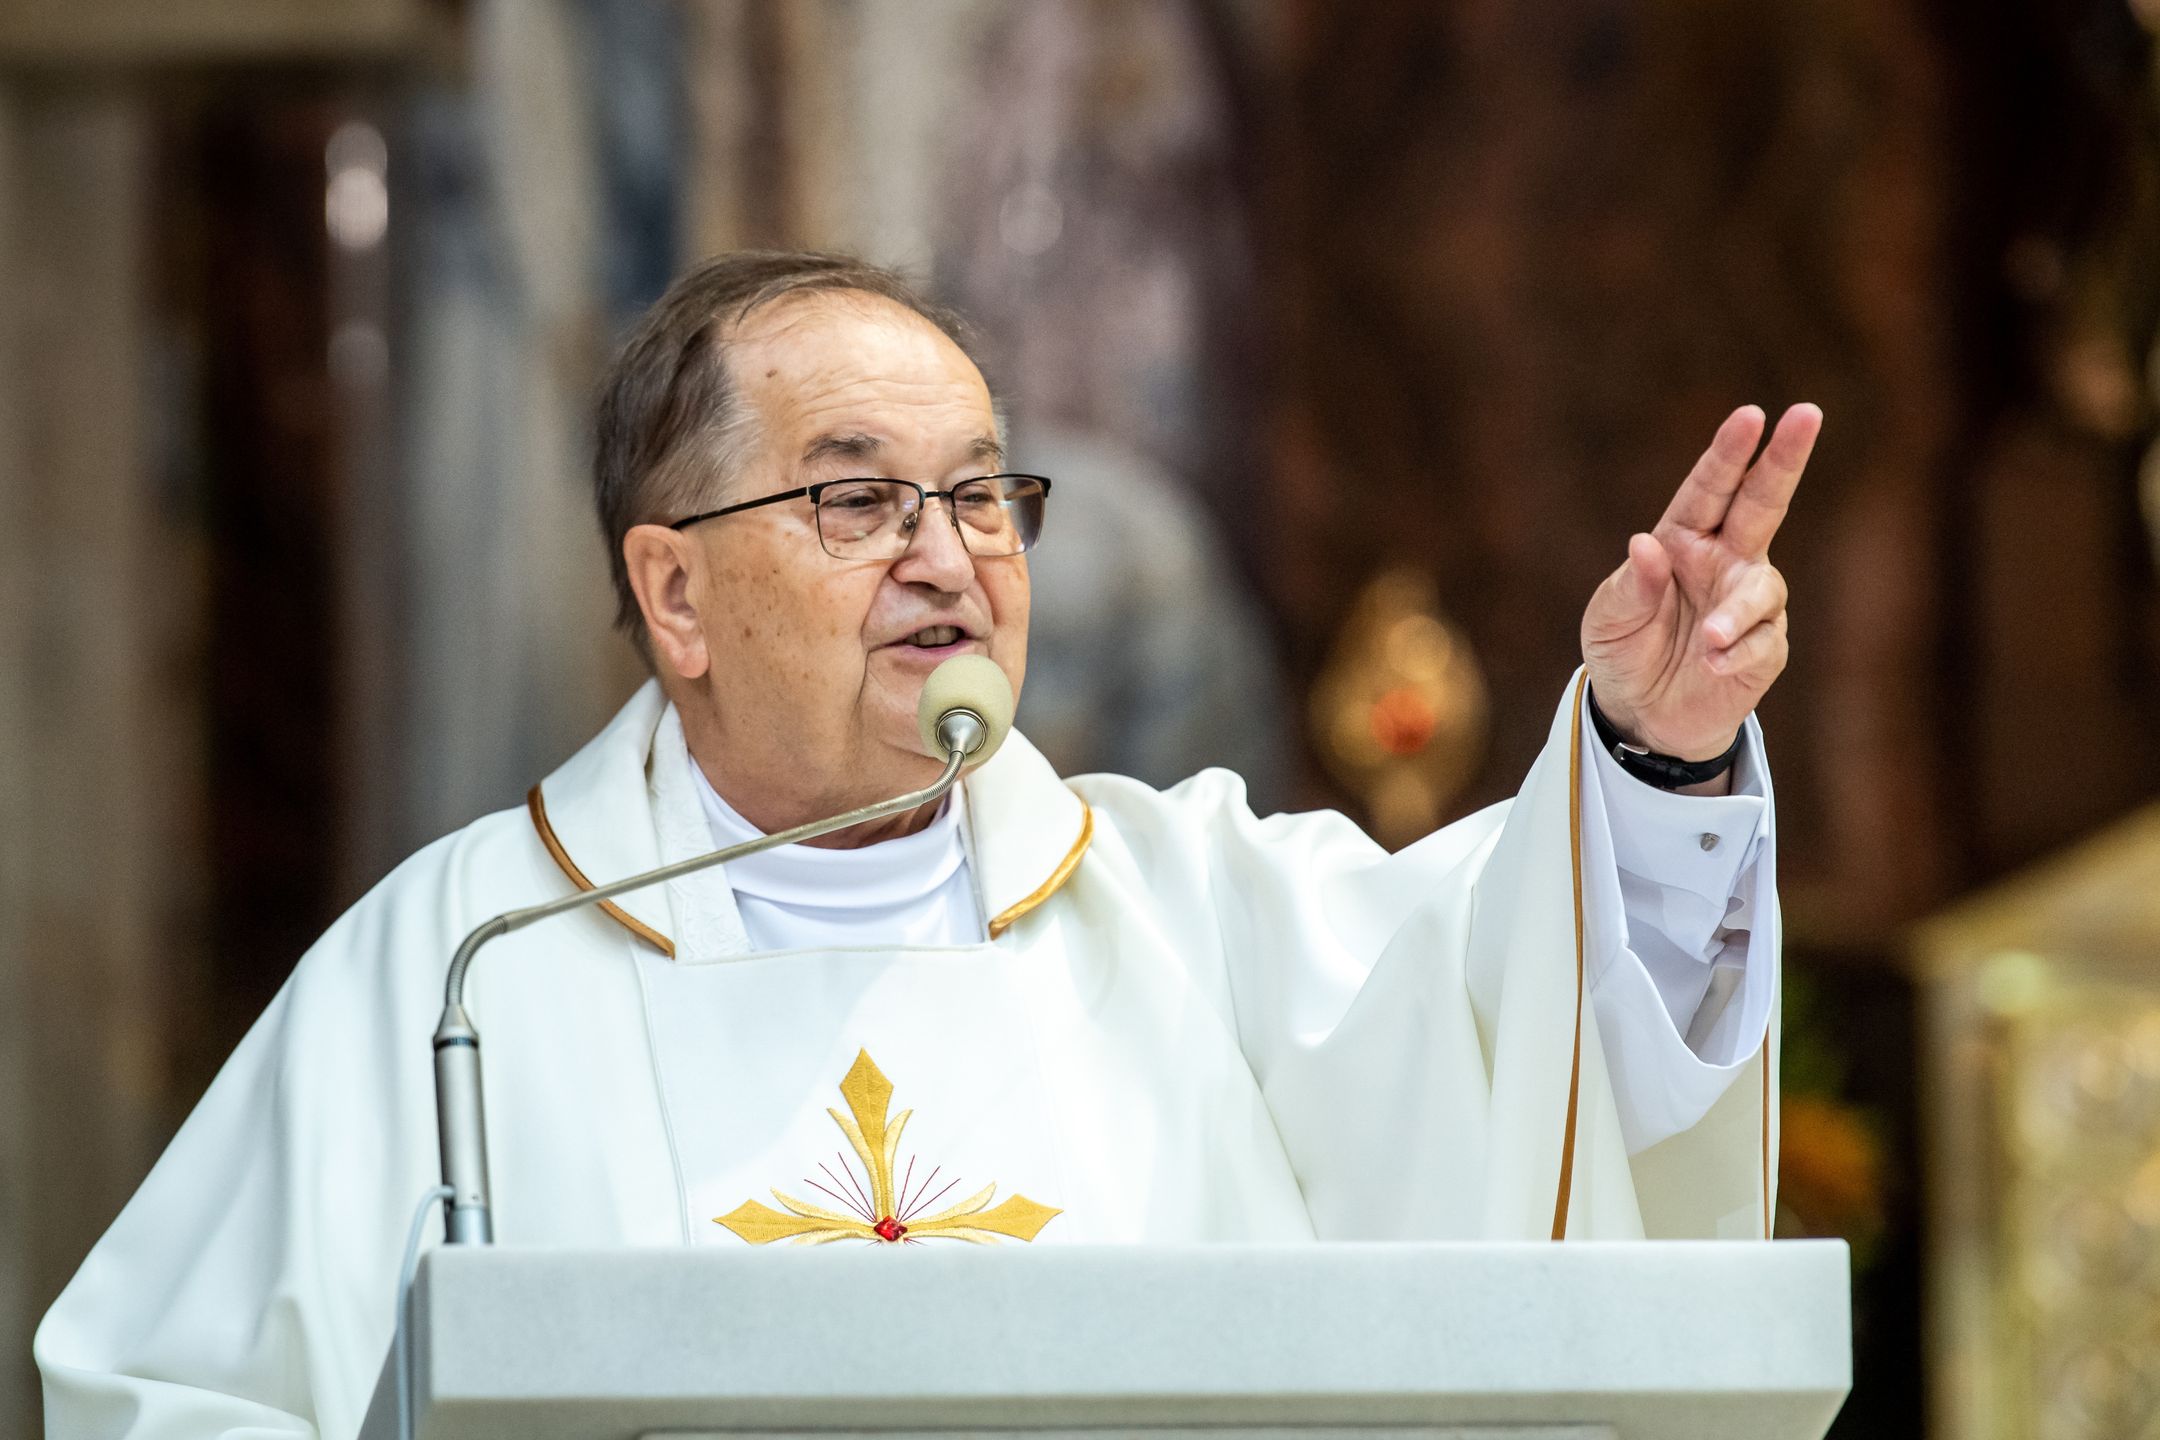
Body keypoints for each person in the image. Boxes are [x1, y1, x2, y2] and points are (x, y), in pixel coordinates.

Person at [37, 251, 1818, 1438]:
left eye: (981, 494)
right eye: (858, 497)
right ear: (676, 594)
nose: (949, 556)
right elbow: (166, 1397)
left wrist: (1653, 757)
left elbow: (1524, 1016)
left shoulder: (1194, 910)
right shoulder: (456, 968)